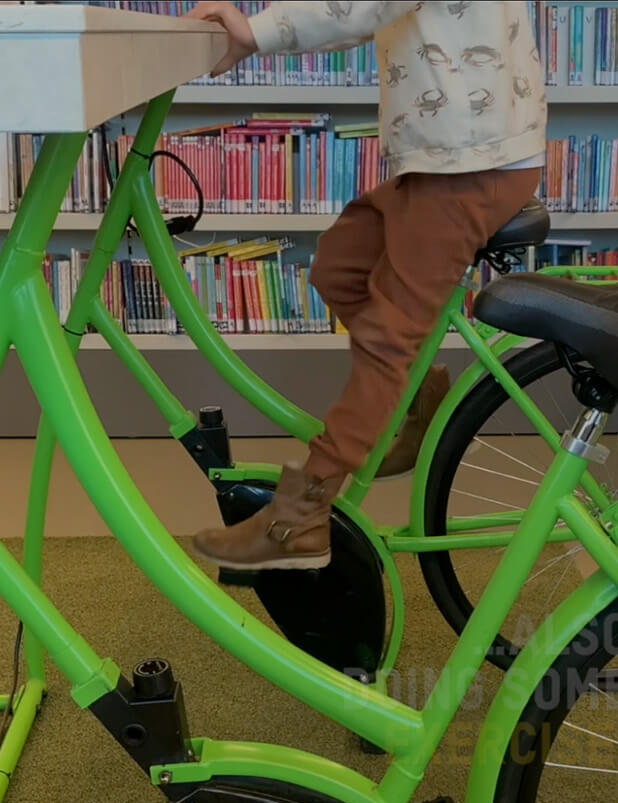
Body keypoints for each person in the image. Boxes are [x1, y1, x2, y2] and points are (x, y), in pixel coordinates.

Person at [187, 1, 547, 570]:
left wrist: (253, 32)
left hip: (469, 162)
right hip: (452, 153)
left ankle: (301, 517)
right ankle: (420, 393)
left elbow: (358, 7)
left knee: (387, 337)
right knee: (340, 267)